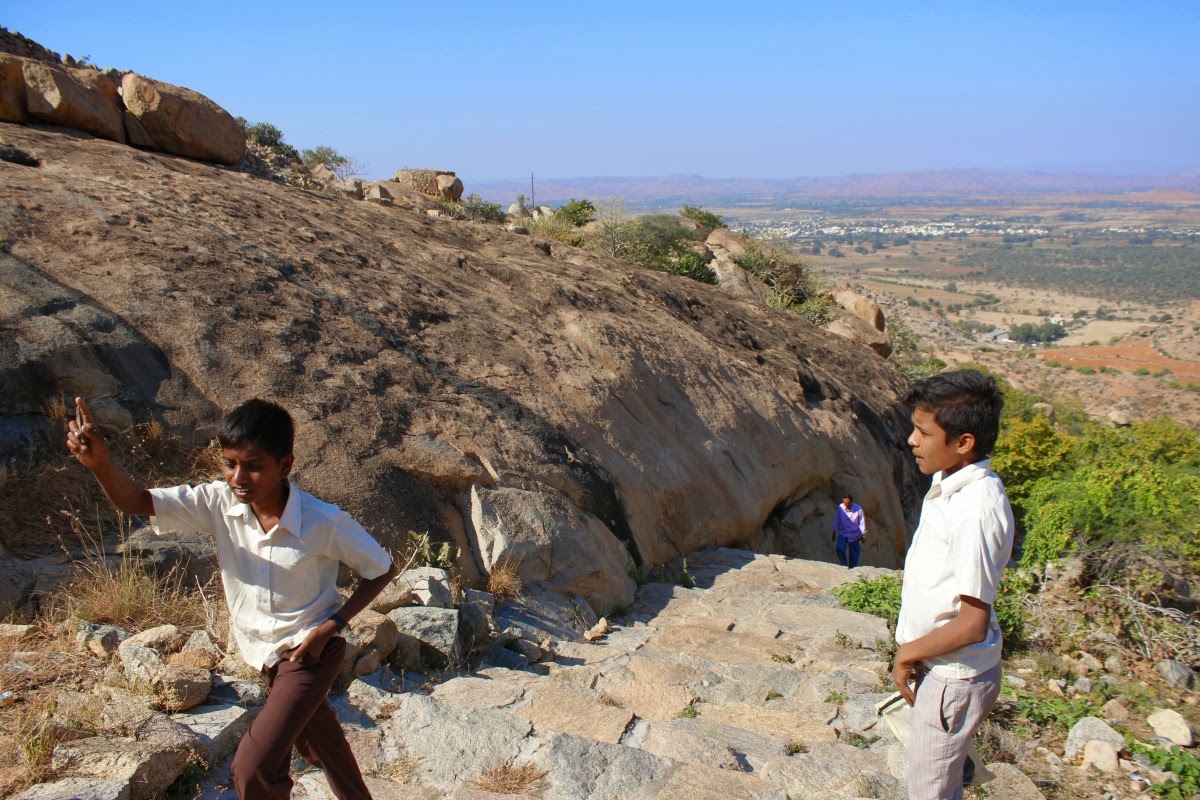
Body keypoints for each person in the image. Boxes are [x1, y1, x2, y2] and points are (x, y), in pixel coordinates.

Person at [66, 396, 397, 800]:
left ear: (285, 465)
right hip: (261, 654)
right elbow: (135, 501)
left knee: (252, 768)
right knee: (318, 743)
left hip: (306, 653)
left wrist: (332, 626)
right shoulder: (216, 503)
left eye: (255, 466)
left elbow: (380, 568)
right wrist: (101, 465)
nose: (239, 477)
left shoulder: (323, 521)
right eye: (229, 463)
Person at [891, 370, 1015, 800]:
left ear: (964, 443)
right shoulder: (950, 484)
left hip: (953, 679)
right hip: (941, 669)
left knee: (928, 792)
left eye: (924, 432)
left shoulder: (975, 510)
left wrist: (907, 653)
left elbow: (972, 624)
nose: (912, 440)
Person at [832, 494, 866, 568]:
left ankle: (852, 570)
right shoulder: (840, 507)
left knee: (854, 556)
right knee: (840, 549)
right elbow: (837, 519)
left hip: (855, 535)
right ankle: (843, 565)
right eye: (845, 505)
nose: (847, 507)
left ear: (852, 502)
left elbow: (862, 522)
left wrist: (862, 535)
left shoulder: (858, 509)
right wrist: (834, 531)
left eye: (848, 505)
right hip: (843, 533)